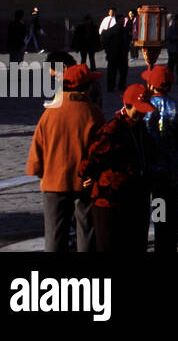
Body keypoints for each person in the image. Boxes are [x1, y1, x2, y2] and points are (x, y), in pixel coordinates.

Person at [27, 63, 105, 252]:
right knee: (86, 230)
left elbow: (37, 147)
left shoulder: (50, 113)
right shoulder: (93, 114)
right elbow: (102, 150)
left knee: (54, 233)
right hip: (83, 183)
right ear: (86, 87)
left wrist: (40, 172)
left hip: (54, 182)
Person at [80, 83, 155, 252]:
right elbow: (91, 157)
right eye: (139, 110)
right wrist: (88, 176)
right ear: (127, 106)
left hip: (134, 197)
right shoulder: (113, 129)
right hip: (111, 199)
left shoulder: (139, 126)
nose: (142, 114)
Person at [140, 65, 178, 252]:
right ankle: (166, 245)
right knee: (169, 214)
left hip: (149, 172)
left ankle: (154, 241)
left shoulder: (144, 109)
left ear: (151, 85)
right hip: (171, 171)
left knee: (152, 212)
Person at [101, 12, 131, 93]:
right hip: (113, 55)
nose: (123, 21)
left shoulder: (125, 30)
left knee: (123, 72)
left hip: (122, 54)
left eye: (123, 20)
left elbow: (127, 41)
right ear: (118, 20)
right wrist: (109, 52)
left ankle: (121, 86)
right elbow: (105, 43)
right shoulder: (111, 31)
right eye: (122, 20)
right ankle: (111, 87)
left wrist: (127, 49)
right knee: (112, 72)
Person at [165, 12, 178, 83]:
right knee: (171, 65)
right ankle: (168, 79)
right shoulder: (171, 28)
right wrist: (176, 37)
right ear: (176, 20)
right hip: (173, 49)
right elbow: (168, 37)